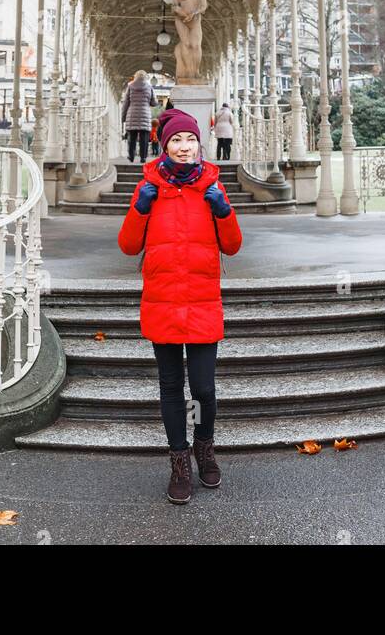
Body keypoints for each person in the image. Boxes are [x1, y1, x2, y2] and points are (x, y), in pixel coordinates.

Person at [117, 107, 243, 504]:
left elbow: (233, 246)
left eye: (190, 139)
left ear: (199, 143)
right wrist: (140, 208)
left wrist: (224, 211)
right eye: (176, 140)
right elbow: (128, 246)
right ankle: (179, 461)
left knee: (203, 389)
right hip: (164, 301)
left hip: (203, 301)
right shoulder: (149, 187)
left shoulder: (212, 186)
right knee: (172, 387)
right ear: (164, 145)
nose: (184, 147)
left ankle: (204, 447)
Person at [120, 70, 153, 163]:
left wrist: (123, 118)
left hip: (132, 114)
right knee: (144, 138)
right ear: (145, 77)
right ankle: (143, 157)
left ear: (135, 76)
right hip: (145, 114)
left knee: (132, 138)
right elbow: (154, 102)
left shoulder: (130, 86)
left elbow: (126, 103)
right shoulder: (149, 87)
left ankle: (131, 156)